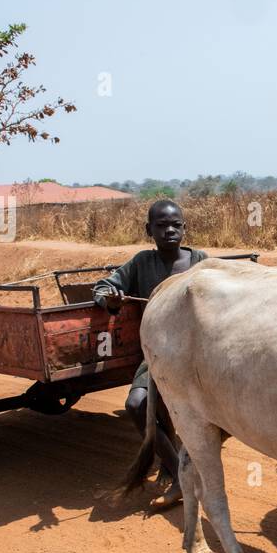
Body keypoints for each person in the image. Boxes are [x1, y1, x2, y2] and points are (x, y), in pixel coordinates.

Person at [94, 200, 207, 508]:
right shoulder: (142, 263)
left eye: (176, 225)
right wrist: (111, 300)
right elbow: (102, 287)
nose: (170, 230)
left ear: (184, 227)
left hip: (199, 352)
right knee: (136, 404)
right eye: (161, 225)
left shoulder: (201, 262)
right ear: (149, 230)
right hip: (157, 353)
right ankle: (178, 472)